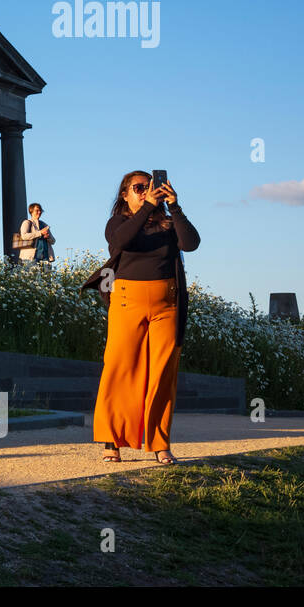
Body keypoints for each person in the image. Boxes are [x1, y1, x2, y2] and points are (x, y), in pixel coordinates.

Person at [82, 171, 200, 465]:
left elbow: (191, 243)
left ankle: (160, 443)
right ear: (125, 194)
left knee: (163, 373)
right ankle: (112, 440)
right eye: (138, 188)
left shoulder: (169, 223)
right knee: (120, 367)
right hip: (126, 300)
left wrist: (176, 206)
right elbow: (121, 241)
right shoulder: (119, 222)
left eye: (150, 187)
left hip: (166, 304)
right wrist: (147, 205)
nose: (145, 191)